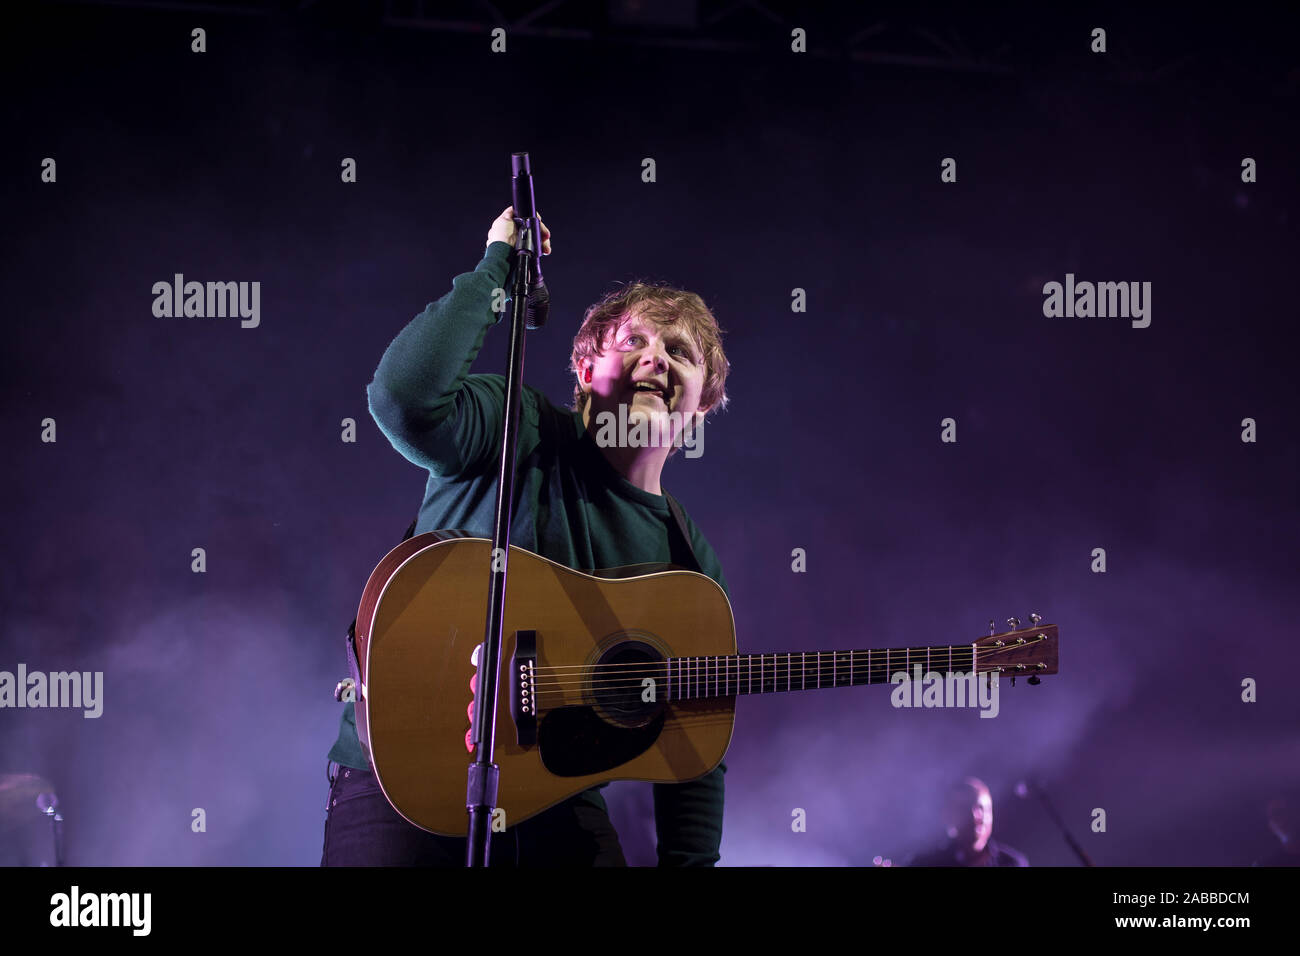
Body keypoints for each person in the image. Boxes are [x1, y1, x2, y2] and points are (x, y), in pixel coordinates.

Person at [321, 206, 733, 866]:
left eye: (678, 352)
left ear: (703, 402)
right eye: (634, 342)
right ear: (584, 363)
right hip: (399, 780)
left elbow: (694, 742)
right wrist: (497, 273)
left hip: (556, 798)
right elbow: (402, 399)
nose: (656, 356)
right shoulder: (513, 423)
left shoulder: (688, 559)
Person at [905, 777, 1029, 867]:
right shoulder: (926, 863)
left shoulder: (1011, 863)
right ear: (948, 815)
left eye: (981, 808)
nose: (976, 816)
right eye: (966, 808)